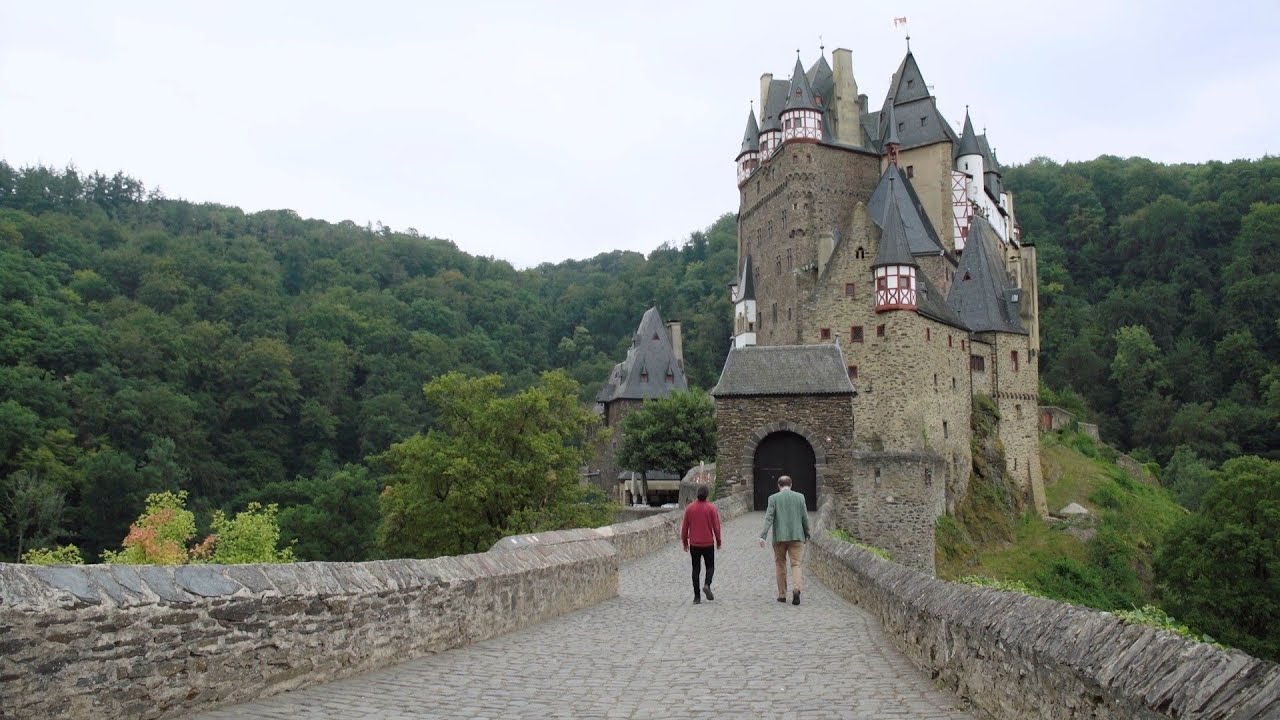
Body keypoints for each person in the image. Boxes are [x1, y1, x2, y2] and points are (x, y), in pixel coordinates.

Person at [758, 475, 810, 605]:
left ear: (778, 485)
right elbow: (805, 517)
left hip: (779, 537)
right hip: (797, 536)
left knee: (780, 564)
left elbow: (769, 518)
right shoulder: (800, 497)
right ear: (791, 485)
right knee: (796, 564)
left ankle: (782, 595)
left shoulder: (773, 498)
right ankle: (796, 589)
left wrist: (763, 535)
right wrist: (807, 533)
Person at [680, 484, 722, 604]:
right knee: (710, 567)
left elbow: (684, 528)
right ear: (707, 494)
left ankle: (697, 597)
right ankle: (707, 584)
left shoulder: (690, 508)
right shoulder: (711, 508)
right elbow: (716, 528)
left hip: (694, 544)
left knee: (695, 569)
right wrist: (718, 541)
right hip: (708, 543)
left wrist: (685, 542)